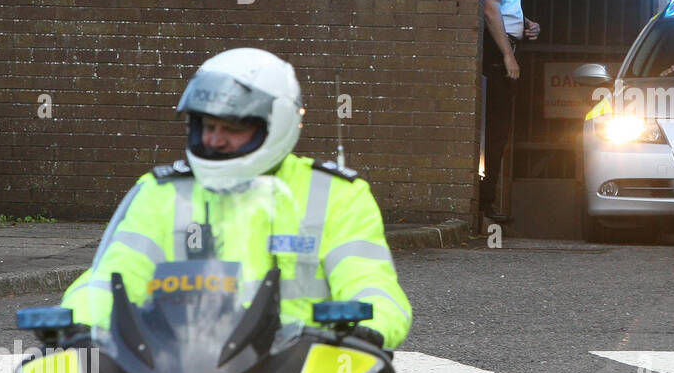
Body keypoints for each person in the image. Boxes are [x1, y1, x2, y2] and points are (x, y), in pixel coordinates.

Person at [60, 48, 412, 349]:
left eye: (232, 128)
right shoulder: (163, 192)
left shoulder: (335, 194)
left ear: (276, 124)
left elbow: (370, 283)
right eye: (207, 126)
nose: (214, 140)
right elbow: (112, 276)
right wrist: (78, 322)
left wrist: (371, 327)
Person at [480, 0, 541, 222]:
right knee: (497, 128)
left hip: (504, 43)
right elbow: (490, 8)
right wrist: (507, 55)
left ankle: (486, 200)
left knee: (499, 127)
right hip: (498, 51)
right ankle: (485, 203)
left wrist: (524, 23)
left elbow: (502, 8)